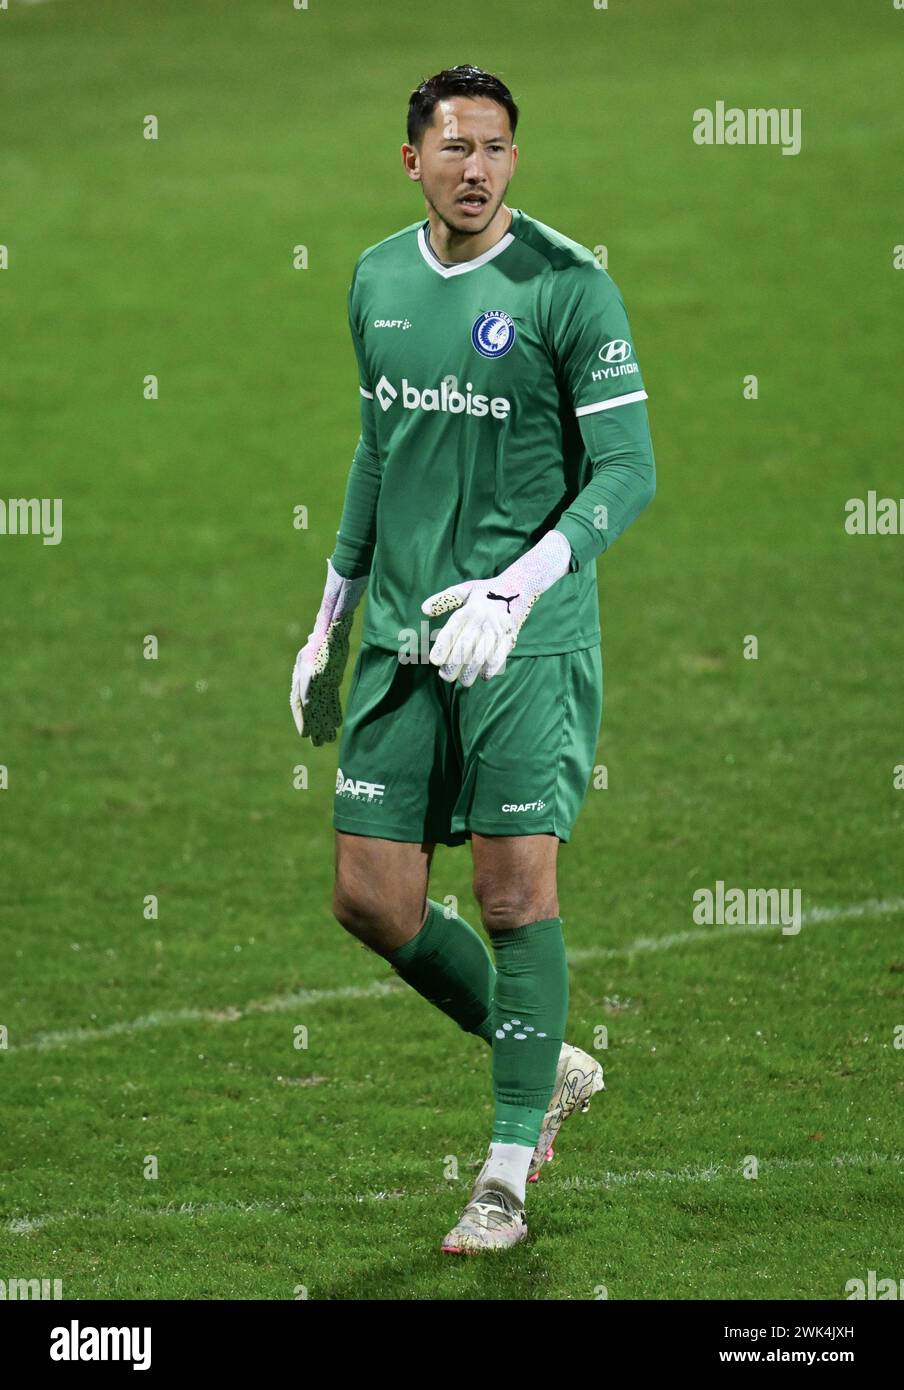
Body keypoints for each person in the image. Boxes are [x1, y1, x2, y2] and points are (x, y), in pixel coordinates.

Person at [291, 64, 656, 1253]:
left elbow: (627, 473)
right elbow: (378, 442)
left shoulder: (568, 284)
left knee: (510, 895)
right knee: (368, 896)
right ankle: (542, 1058)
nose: (476, 169)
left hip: (525, 638)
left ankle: (501, 1174)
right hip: (402, 628)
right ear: (413, 160)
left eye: (495, 149)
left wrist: (521, 582)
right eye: (454, 149)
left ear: (514, 158)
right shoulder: (377, 277)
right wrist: (331, 608)